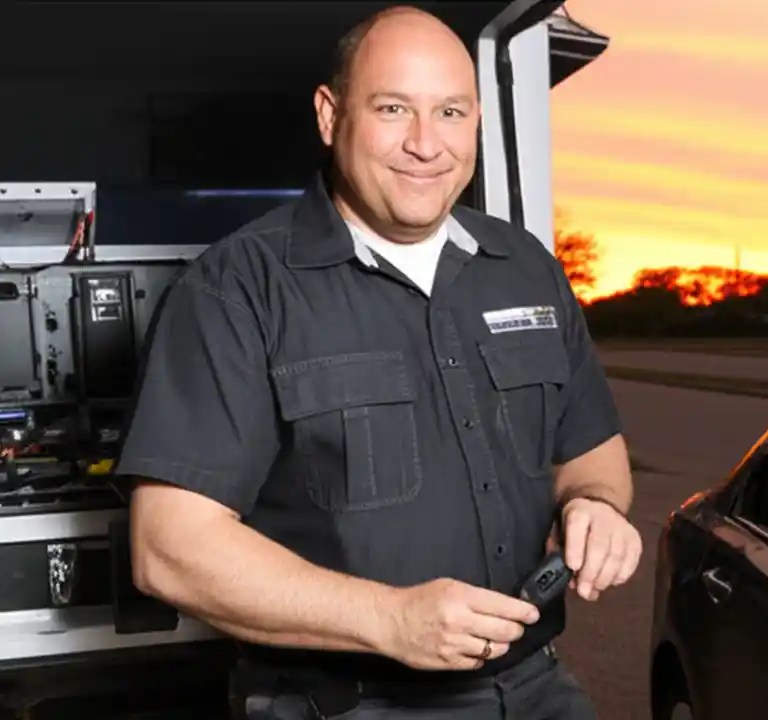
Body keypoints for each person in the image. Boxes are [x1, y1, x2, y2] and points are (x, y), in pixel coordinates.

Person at [116, 6, 640, 719]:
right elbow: (168, 547)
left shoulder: (526, 270)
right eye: (394, 109)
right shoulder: (236, 289)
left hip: (535, 688)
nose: (426, 144)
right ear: (331, 117)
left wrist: (597, 507)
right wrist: (390, 620)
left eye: (450, 112)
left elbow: (593, 457)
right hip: (344, 704)